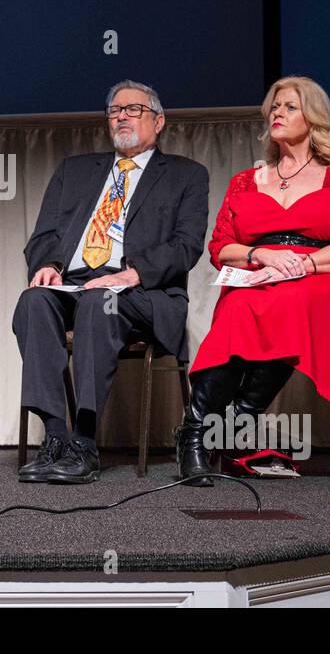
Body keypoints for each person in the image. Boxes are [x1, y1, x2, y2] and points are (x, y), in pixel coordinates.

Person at [177, 75, 330, 485]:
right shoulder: (246, 180)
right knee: (238, 308)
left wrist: (305, 265)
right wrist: (263, 255)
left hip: (325, 278)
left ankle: (224, 424)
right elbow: (220, 246)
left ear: (313, 118)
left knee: (293, 303)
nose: (278, 113)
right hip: (261, 271)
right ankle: (198, 431)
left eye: (290, 107)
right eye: (274, 107)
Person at [12, 81, 209, 484]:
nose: (120, 115)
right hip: (75, 284)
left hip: (142, 292)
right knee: (32, 301)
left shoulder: (186, 176)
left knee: (99, 301)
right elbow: (44, 235)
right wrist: (48, 264)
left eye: (133, 109)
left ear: (159, 121)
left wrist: (133, 272)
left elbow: (186, 246)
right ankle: (55, 438)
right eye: (114, 110)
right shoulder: (75, 170)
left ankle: (85, 443)